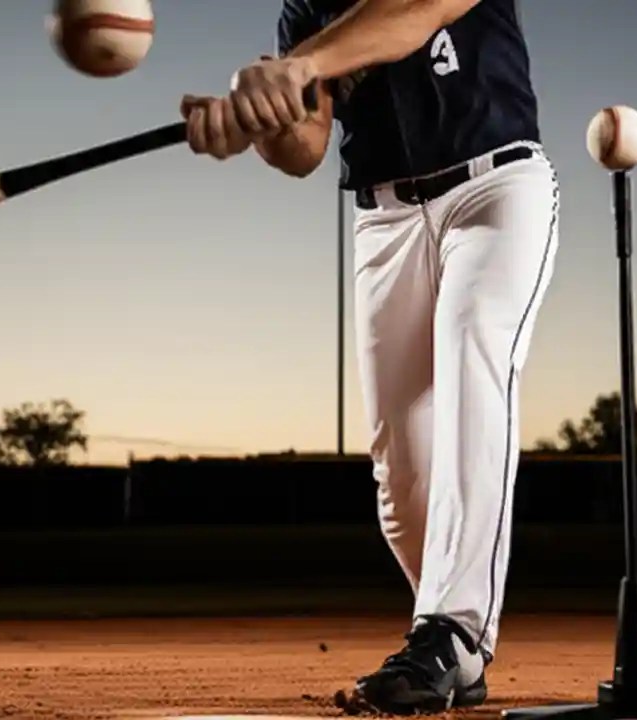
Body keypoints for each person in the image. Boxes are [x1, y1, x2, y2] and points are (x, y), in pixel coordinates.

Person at [180, 0, 559, 713]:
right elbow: (305, 149)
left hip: (495, 189)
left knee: (474, 359)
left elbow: (408, 16)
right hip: (384, 219)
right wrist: (257, 118)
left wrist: (294, 68)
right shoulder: (304, 9)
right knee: (400, 469)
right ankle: (454, 651)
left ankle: (451, 630)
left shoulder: (321, 35)